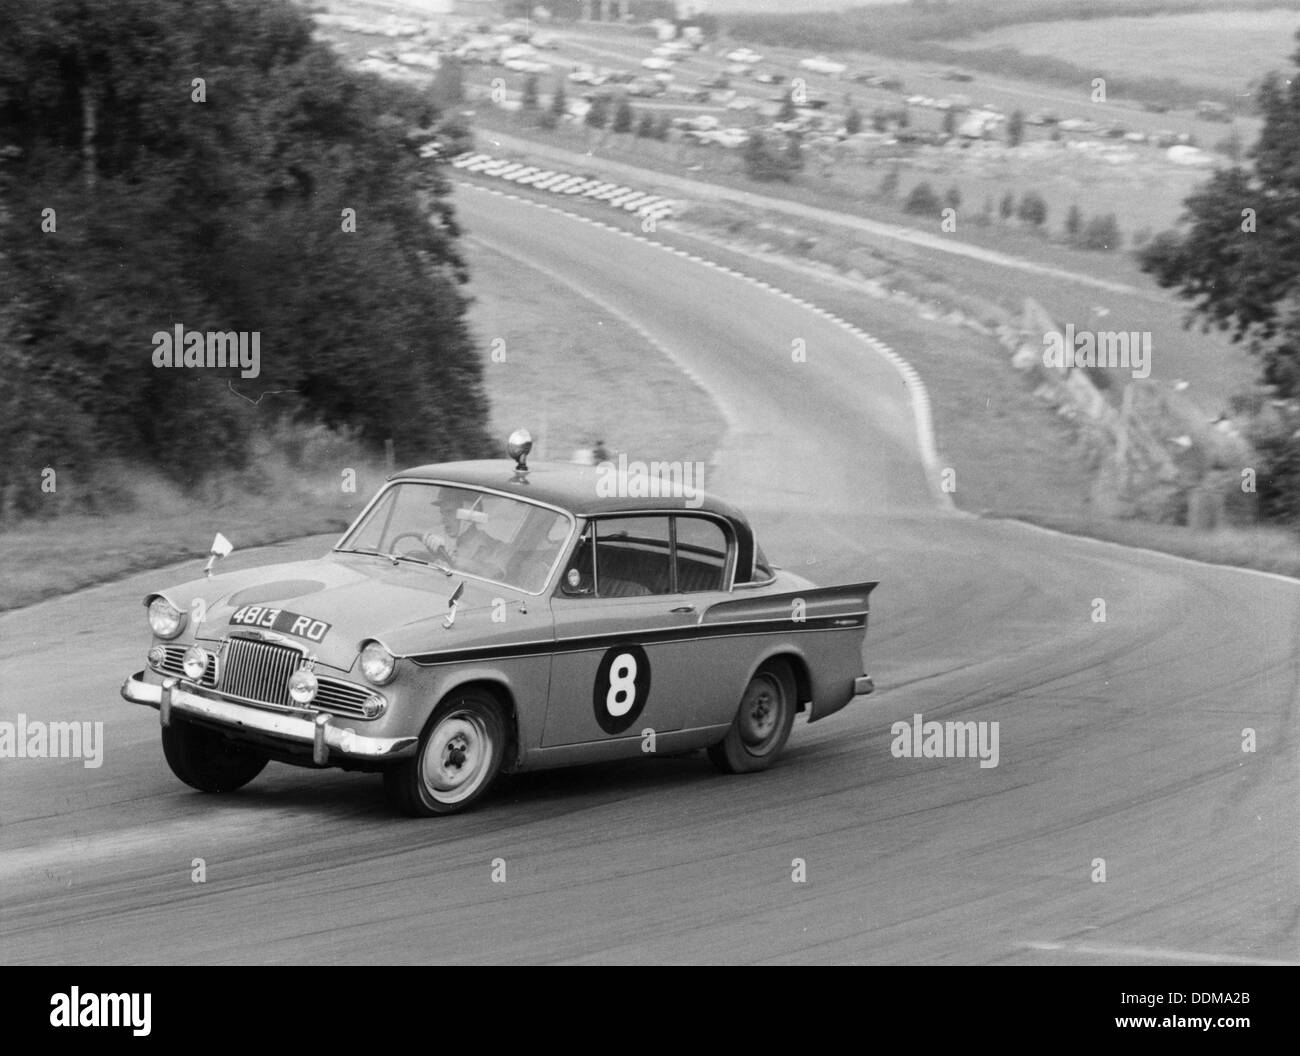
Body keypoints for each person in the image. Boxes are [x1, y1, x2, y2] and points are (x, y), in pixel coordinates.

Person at [421, 489, 508, 580]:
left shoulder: (498, 548)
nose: (443, 520)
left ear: (471, 513)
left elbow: (493, 573)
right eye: (442, 513)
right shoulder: (445, 543)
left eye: (449, 512)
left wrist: (453, 559)